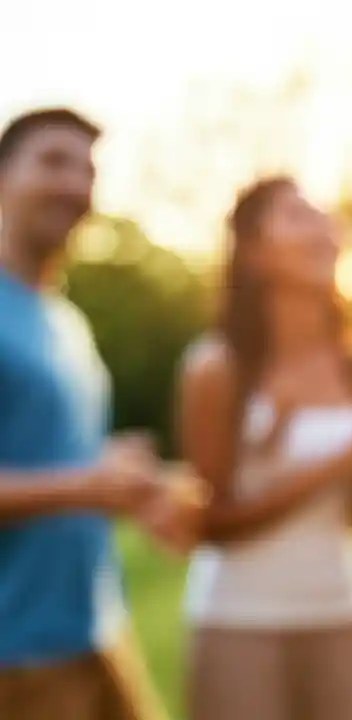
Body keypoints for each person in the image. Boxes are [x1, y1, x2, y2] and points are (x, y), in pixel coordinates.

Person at [0, 108, 199, 720]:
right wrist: (92, 484)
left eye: (87, 170)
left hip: (96, 630)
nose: (75, 185)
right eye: (52, 162)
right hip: (16, 655)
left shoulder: (64, 318)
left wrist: (133, 484)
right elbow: (77, 484)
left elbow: (51, 459)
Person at [177, 177, 352, 720]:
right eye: (297, 215)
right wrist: (337, 464)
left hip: (343, 613)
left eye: (324, 215)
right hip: (239, 623)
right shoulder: (218, 368)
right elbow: (211, 525)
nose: (322, 227)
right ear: (252, 252)